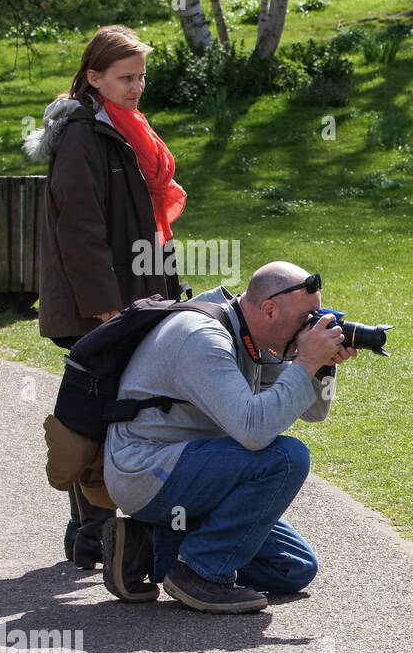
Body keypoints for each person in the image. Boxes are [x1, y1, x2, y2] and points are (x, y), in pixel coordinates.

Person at [103, 262, 356, 613]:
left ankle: (152, 544)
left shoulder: (252, 335)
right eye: (307, 320)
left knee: (292, 567)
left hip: (193, 471)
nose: (312, 329)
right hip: (145, 471)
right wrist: (306, 362)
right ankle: (198, 572)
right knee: (286, 458)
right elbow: (253, 432)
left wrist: (322, 364)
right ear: (269, 310)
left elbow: (313, 412)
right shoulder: (202, 337)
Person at [24, 24, 187, 569]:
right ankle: (90, 535)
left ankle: (98, 534)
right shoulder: (82, 135)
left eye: (141, 77)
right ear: (94, 77)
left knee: (120, 411)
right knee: (96, 415)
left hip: (136, 294)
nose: (137, 86)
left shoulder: (124, 126)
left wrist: (164, 292)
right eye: (125, 78)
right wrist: (107, 309)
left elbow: (143, 219)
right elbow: (80, 230)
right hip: (102, 304)